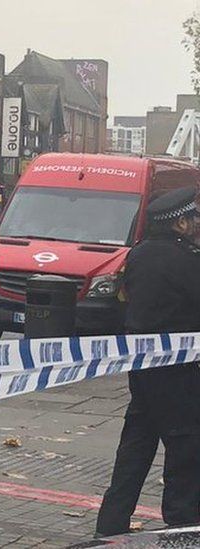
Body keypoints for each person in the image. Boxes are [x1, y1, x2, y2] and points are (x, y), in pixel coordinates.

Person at [96, 186, 200, 537]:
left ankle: (110, 527)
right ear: (180, 223)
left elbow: (122, 303)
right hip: (179, 373)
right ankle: (182, 529)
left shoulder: (138, 255)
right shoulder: (188, 260)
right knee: (185, 452)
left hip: (142, 369)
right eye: (193, 217)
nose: (197, 223)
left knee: (135, 449)